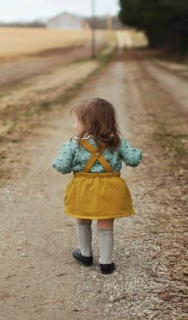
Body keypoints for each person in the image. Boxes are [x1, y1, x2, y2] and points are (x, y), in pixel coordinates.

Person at [51, 97, 142, 274]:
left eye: (76, 121)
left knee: (82, 218)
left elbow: (62, 166)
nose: (74, 126)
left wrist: (60, 161)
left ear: (88, 123)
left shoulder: (74, 143)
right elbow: (134, 159)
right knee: (106, 223)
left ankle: (85, 254)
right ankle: (106, 263)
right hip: (111, 188)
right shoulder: (117, 142)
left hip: (83, 187)